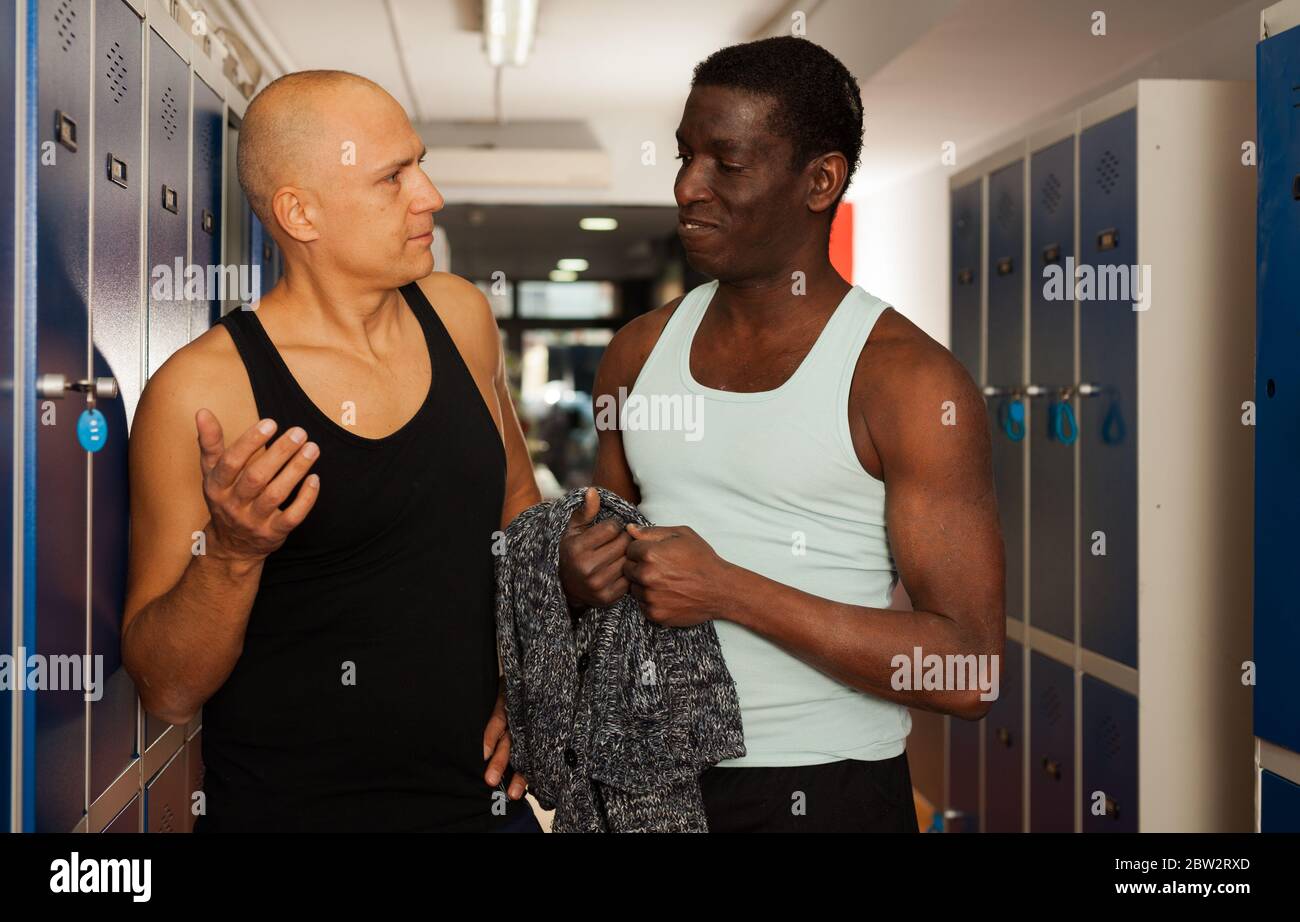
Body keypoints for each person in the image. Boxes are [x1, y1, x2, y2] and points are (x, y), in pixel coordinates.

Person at [560, 36, 1005, 833]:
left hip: (825, 790)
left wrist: (731, 589)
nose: (687, 187)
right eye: (684, 155)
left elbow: (965, 670)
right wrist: (579, 576)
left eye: (725, 163)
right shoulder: (636, 352)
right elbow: (609, 575)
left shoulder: (907, 381)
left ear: (820, 180)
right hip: (646, 775)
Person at [122, 71, 538, 832]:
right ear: (299, 212)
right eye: (393, 177)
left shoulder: (460, 315)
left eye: (420, 162)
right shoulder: (203, 392)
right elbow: (166, 690)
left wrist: (531, 670)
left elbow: (518, 506)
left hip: (483, 806)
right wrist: (232, 553)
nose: (430, 196)